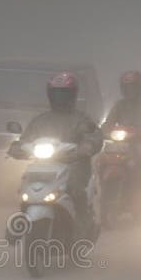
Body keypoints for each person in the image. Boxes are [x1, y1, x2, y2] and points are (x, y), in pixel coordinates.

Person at [9, 72, 102, 237]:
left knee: (75, 190)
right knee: (24, 189)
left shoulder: (81, 119)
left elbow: (94, 135)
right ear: (50, 95)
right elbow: (25, 139)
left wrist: (87, 146)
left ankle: (83, 226)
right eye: (56, 94)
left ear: (73, 95)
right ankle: (20, 222)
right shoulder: (40, 120)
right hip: (42, 165)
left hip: (74, 165)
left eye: (64, 94)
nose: (60, 98)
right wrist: (17, 147)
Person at [101, 70, 141, 197]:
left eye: (133, 87)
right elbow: (108, 123)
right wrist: (103, 131)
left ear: (140, 87)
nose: (130, 90)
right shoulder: (119, 105)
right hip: (121, 144)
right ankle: (100, 190)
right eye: (127, 87)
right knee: (100, 160)